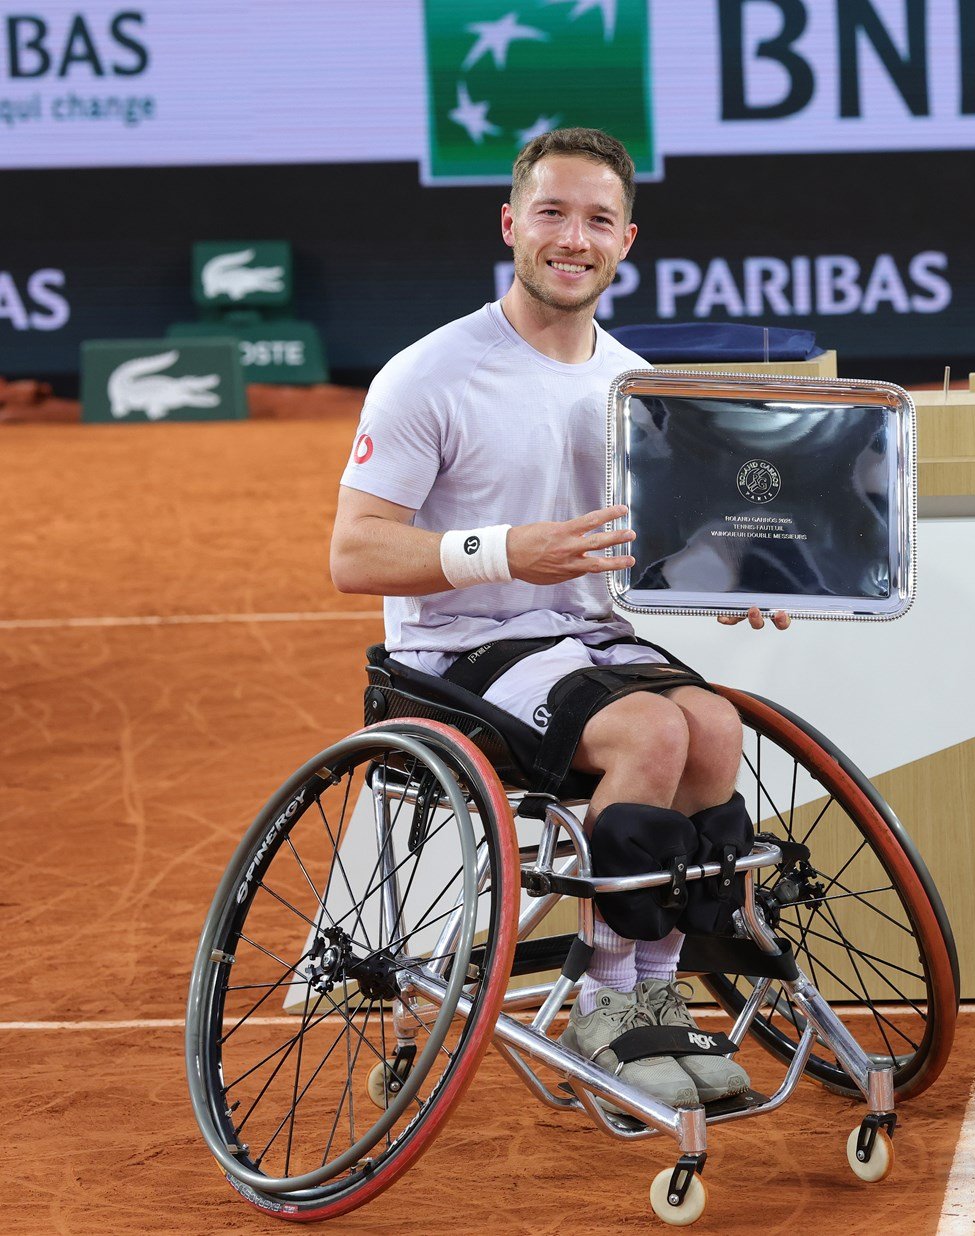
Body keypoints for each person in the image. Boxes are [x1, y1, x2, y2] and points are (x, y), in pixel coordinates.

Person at [331, 127, 787, 1112]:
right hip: (457, 653)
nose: (572, 238)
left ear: (628, 241)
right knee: (656, 728)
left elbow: (657, 543)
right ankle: (599, 994)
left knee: (715, 728)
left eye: (597, 220)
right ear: (511, 225)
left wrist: (731, 573)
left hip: (588, 643)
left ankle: (653, 995)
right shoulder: (429, 373)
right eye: (552, 213)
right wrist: (505, 550)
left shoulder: (631, 385)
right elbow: (354, 552)